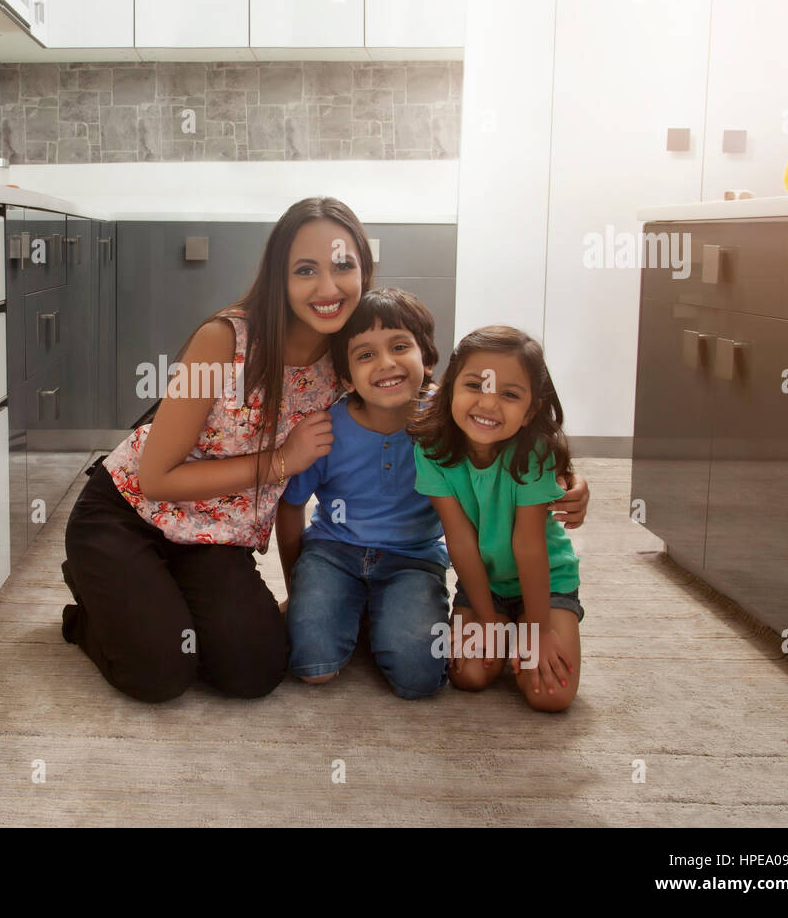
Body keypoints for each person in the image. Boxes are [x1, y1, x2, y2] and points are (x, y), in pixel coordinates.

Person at [59, 196, 374, 702]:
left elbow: (409, 398)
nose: (328, 288)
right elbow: (157, 478)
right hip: (129, 515)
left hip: (215, 539)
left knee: (255, 670)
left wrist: (301, 595)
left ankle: (160, 602)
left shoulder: (348, 361)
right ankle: (89, 600)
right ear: (279, 276)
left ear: (364, 268)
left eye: (343, 266)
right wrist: (280, 462)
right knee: (159, 673)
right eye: (305, 270)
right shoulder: (223, 340)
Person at [276, 289, 452, 699]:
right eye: (365, 354)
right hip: (332, 553)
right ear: (346, 376)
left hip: (413, 559)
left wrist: (568, 481)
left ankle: (376, 614)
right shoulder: (326, 428)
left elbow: (507, 451)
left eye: (399, 346)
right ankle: (357, 612)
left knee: (419, 679)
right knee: (312, 667)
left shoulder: (447, 425)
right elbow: (292, 503)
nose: (386, 363)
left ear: (426, 358)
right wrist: (296, 585)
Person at [412, 326, 584, 712]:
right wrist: (488, 619)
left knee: (551, 696)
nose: (488, 405)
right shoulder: (431, 447)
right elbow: (459, 540)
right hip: (485, 584)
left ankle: (526, 628)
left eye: (509, 394)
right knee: (469, 676)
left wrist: (538, 633)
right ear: (450, 387)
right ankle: (507, 628)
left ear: (531, 411)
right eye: (475, 386)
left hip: (546, 580)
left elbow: (528, 545)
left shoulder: (534, 451)